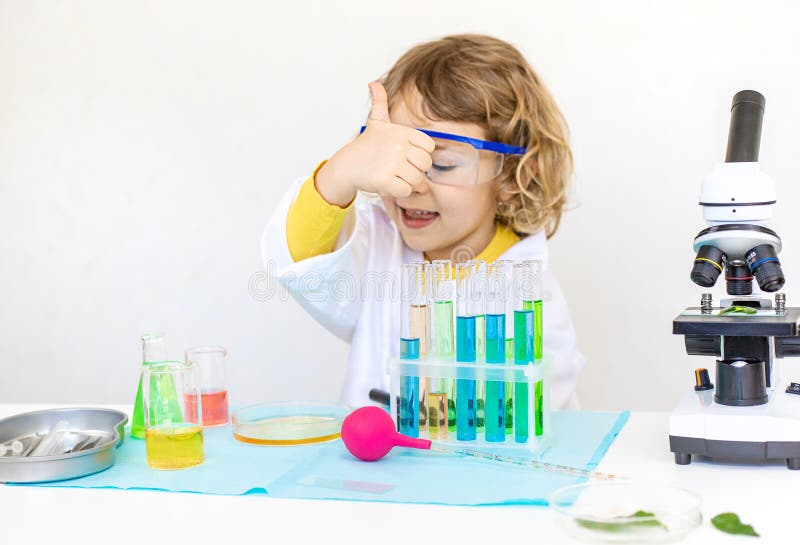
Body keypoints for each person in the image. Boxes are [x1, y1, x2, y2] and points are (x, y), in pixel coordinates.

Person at [262, 34, 585, 409]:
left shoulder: (530, 290)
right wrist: (341, 173)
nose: (410, 185)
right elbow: (299, 259)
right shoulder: (377, 244)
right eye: (397, 159)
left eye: (443, 165)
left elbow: (536, 410)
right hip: (374, 469)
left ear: (514, 177)